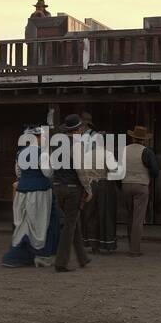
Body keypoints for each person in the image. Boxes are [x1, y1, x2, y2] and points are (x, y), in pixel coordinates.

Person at [3, 127, 60, 267]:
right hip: (39, 192)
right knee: (40, 224)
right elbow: (48, 173)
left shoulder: (20, 153)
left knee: (24, 223)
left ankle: (21, 255)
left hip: (22, 192)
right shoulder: (42, 153)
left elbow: (18, 173)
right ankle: (40, 255)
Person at [52, 114, 94, 271]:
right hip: (72, 188)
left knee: (72, 221)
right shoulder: (77, 145)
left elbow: (51, 166)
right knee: (69, 226)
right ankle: (61, 262)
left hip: (58, 185)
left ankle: (82, 257)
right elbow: (81, 170)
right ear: (78, 130)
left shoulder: (57, 144)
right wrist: (88, 189)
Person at [80, 112, 118, 254]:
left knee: (91, 215)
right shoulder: (107, 154)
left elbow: (82, 170)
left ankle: (93, 244)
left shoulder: (87, 155)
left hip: (91, 185)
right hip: (104, 185)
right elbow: (114, 169)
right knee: (105, 214)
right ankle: (106, 244)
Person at [121, 125, 159, 257]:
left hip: (126, 184)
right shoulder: (147, 152)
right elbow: (155, 170)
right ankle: (135, 249)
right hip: (141, 185)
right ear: (144, 140)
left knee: (130, 217)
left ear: (132, 138)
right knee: (138, 218)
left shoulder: (124, 150)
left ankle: (131, 244)